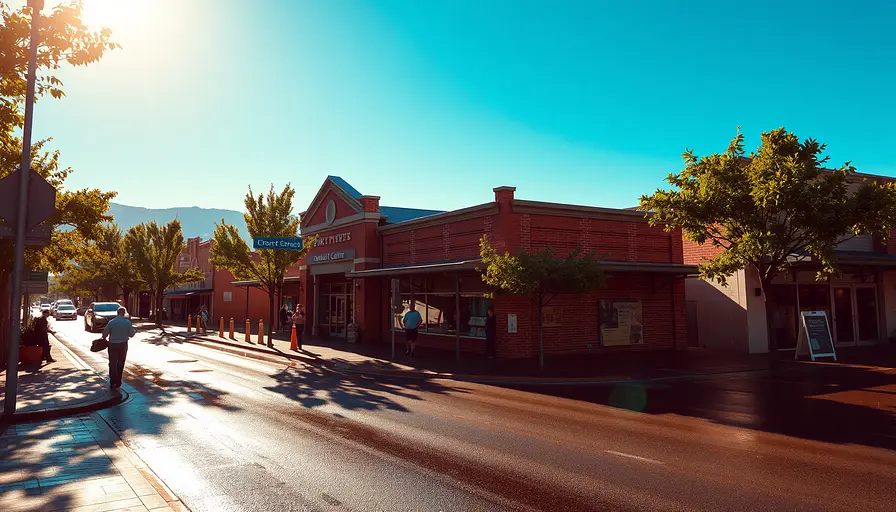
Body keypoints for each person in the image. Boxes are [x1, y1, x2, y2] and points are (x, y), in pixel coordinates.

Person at [102, 307, 135, 389]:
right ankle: (118, 381)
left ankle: (113, 380)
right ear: (124, 313)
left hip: (112, 344)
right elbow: (131, 334)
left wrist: (105, 338)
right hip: (123, 344)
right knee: (120, 363)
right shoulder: (127, 322)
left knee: (112, 362)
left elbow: (104, 334)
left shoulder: (111, 322)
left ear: (117, 313)